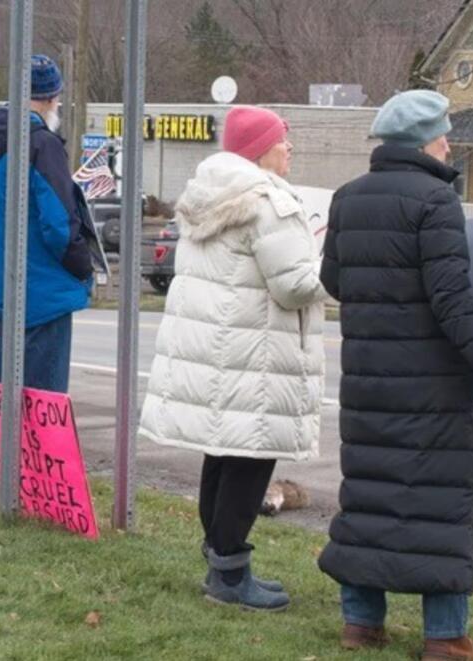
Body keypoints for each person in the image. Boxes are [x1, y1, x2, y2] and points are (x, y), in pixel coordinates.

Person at [317, 90, 473, 661]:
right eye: (444, 134)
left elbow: (336, 282)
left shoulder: (347, 198)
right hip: (432, 387)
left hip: (367, 382)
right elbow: (453, 304)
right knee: (441, 499)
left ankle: (360, 624)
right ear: (425, 141)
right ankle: (445, 638)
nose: (449, 144)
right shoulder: (435, 202)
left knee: (371, 495)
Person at [137, 106, 328, 612]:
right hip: (255, 355)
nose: (290, 148)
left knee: (222, 454)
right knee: (251, 458)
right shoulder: (267, 202)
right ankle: (228, 572)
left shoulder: (210, 196)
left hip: (221, 353)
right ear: (260, 148)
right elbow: (294, 286)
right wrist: (335, 264)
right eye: (283, 140)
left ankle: (223, 562)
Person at [0, 54, 94, 395]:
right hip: (46, 290)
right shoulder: (42, 145)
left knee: (10, 400)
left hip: (6, 287)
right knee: (43, 405)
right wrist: (82, 265)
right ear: (51, 98)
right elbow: (58, 223)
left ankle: (7, 451)